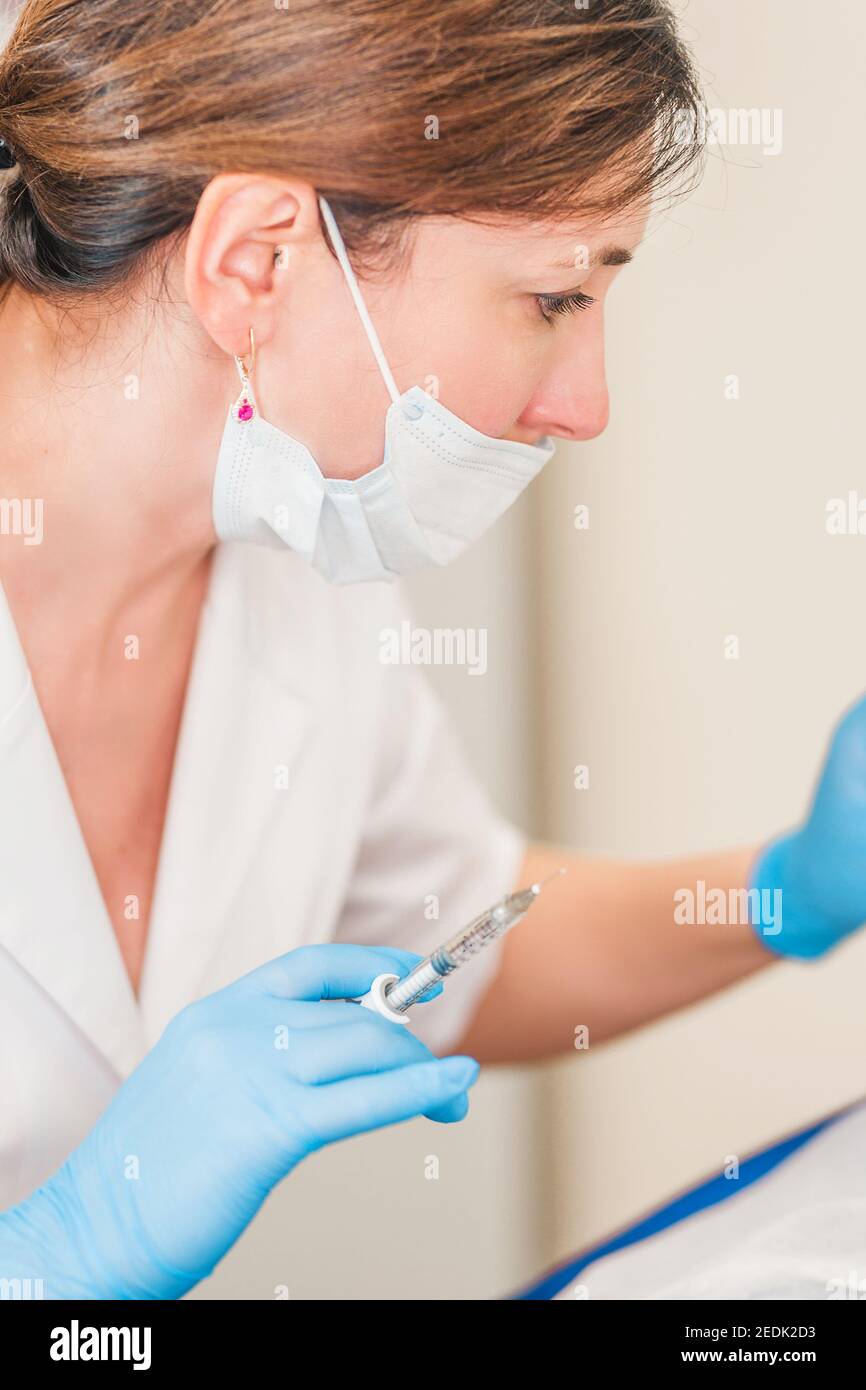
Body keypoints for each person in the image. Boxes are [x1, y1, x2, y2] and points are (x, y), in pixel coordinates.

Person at [1, 0, 864, 1300]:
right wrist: (54, 1259)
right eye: (550, 298)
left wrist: (784, 891)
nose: (585, 404)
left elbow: (456, 939)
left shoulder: (298, 550)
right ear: (256, 261)